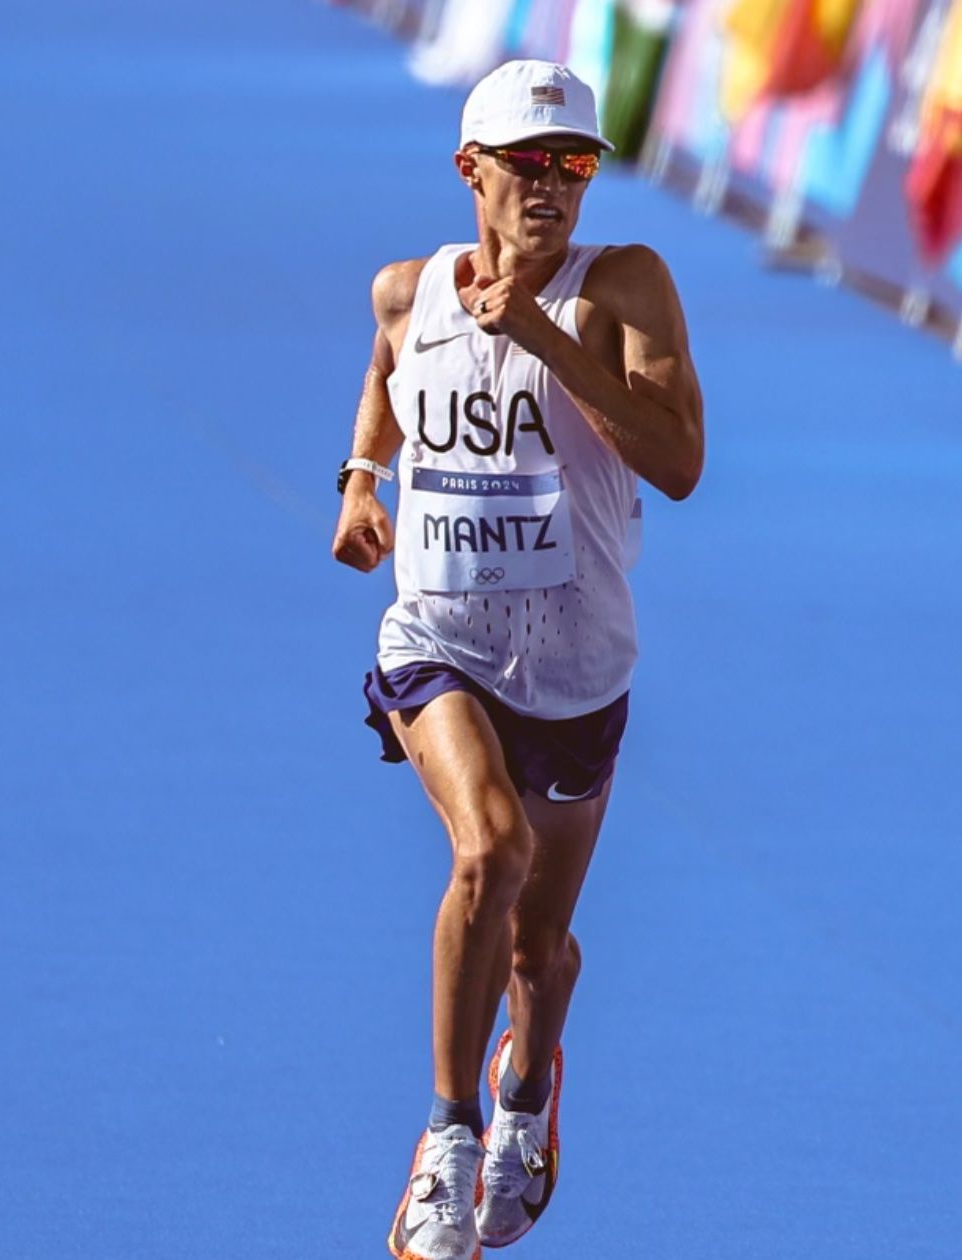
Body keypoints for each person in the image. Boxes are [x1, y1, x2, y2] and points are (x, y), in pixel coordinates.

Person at [329, 59, 705, 1260]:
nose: (554, 187)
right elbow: (390, 369)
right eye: (529, 165)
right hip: (440, 637)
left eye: (576, 164)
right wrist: (361, 481)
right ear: (472, 171)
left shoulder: (624, 287)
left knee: (540, 947)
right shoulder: (409, 288)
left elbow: (679, 460)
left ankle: (526, 1089)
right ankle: (444, 1139)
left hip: (578, 663)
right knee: (484, 853)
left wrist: (540, 332)